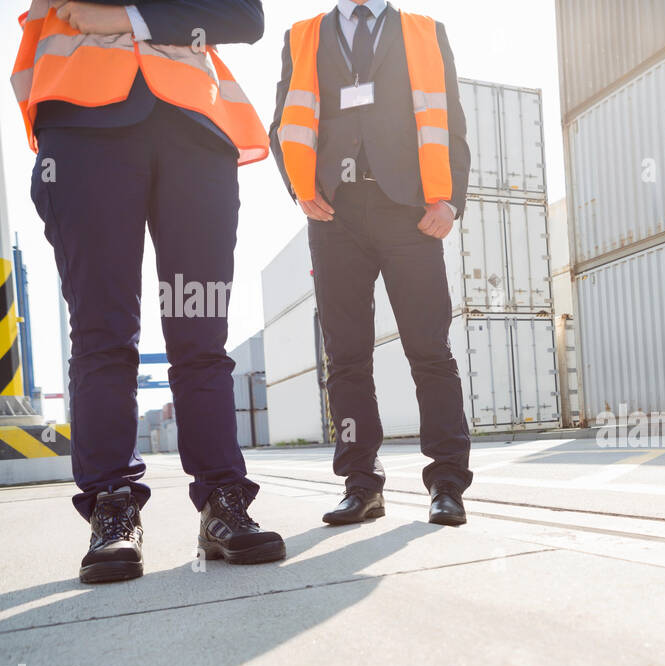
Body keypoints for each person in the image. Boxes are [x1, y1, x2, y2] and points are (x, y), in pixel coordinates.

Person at [13, 0, 285, 584]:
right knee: (102, 330)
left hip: (195, 134)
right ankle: (112, 506)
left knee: (201, 328)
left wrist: (127, 19)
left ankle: (222, 501)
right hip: (84, 131)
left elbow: (243, 16)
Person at [269, 0, 474, 528]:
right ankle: (361, 484)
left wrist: (449, 199)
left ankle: (447, 482)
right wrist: (299, 189)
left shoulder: (425, 31)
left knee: (430, 349)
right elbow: (283, 123)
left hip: (409, 210)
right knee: (346, 357)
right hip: (334, 213)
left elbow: (450, 118)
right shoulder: (302, 36)